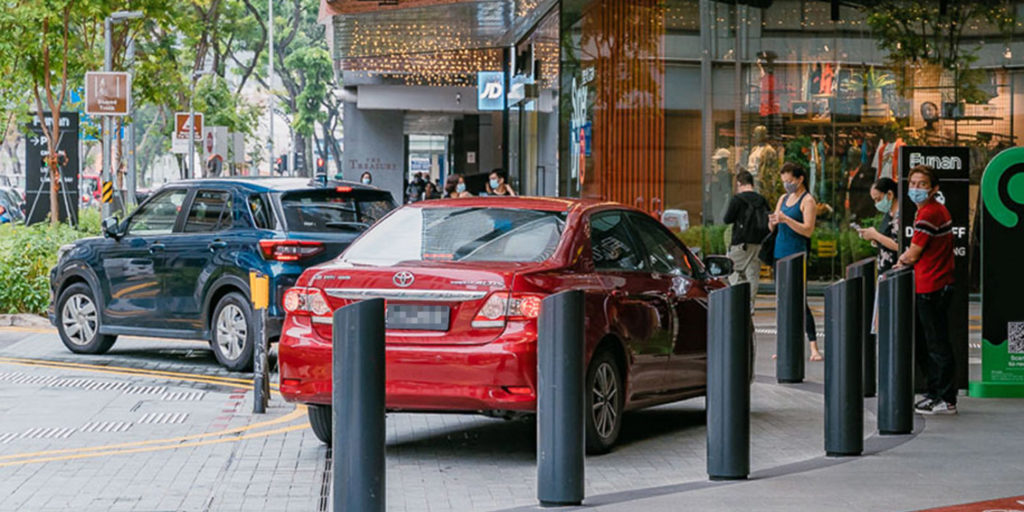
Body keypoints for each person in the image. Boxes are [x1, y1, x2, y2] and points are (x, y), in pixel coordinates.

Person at [895, 165, 957, 415]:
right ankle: (935, 392)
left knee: (936, 344)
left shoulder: (930, 213)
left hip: (932, 285)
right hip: (930, 283)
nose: (916, 189)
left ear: (934, 189)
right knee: (928, 342)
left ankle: (945, 398)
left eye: (922, 184)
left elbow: (915, 252)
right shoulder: (929, 211)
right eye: (913, 183)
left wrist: (902, 260)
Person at [769, 162, 822, 362]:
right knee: (782, 301)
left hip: (796, 254)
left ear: (800, 179)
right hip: (779, 253)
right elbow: (774, 226)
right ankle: (782, 344)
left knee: (799, 301)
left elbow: (808, 230)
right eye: (784, 181)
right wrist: (773, 221)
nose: (787, 185)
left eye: (790, 181)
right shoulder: (783, 198)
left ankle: (813, 347)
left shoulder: (807, 200)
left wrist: (786, 220)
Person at [722, 169, 770, 294]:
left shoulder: (737, 200)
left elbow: (727, 219)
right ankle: (750, 308)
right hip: (758, 244)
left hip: (740, 244)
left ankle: (740, 300)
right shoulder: (762, 200)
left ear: (739, 183)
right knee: (753, 275)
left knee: (731, 270)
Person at [857, 177, 900, 274]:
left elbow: (899, 245)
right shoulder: (888, 214)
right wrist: (875, 239)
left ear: (890, 194)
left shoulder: (901, 215)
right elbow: (887, 237)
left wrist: (876, 235)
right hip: (885, 268)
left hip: (896, 270)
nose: (876, 204)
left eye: (878, 199)